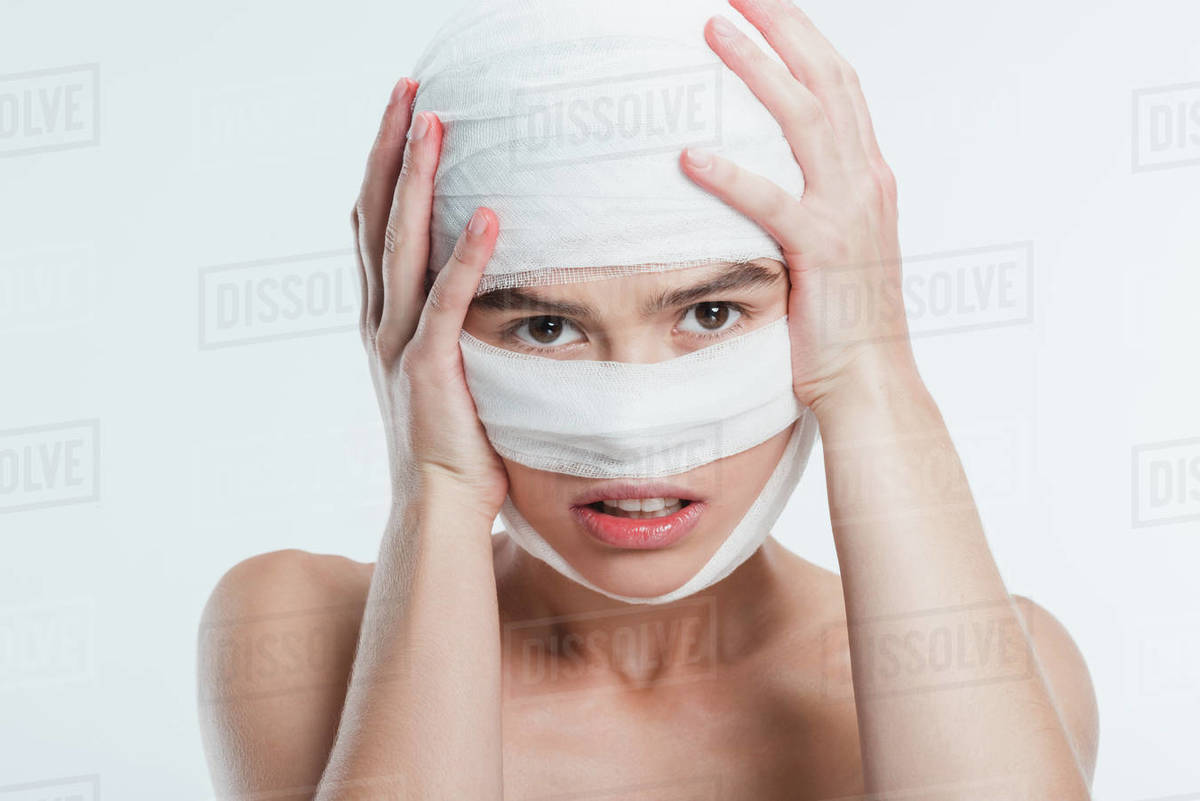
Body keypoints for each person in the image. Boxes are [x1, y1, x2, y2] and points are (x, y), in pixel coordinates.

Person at [197, 2, 1098, 799]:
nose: (635, 432)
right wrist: (433, 481)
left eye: (710, 314)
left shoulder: (1004, 663)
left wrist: (875, 374)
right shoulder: (303, 636)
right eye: (546, 328)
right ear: (425, 333)